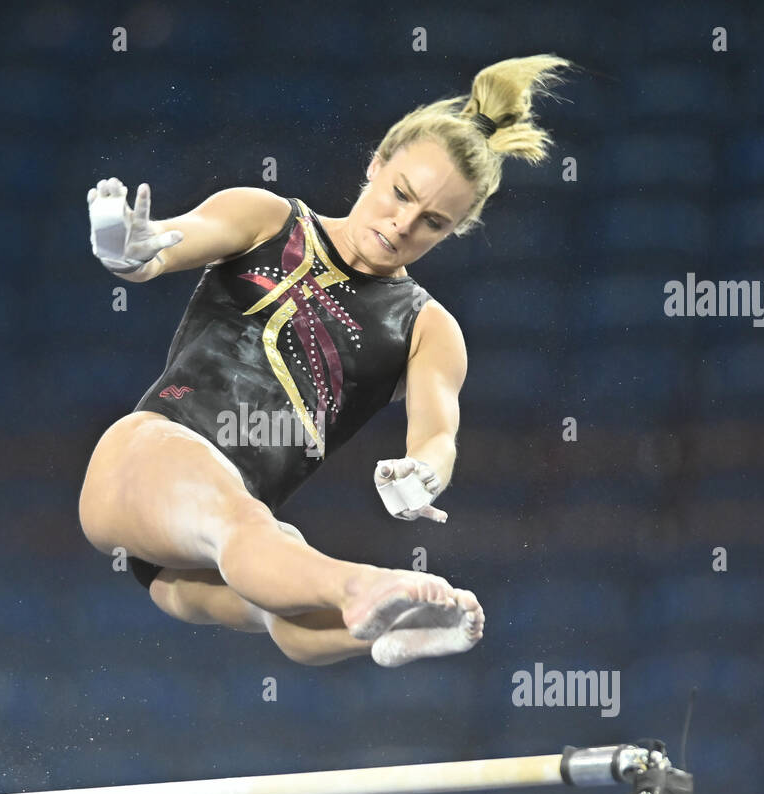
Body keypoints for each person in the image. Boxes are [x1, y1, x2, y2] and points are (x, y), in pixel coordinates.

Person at [79, 55, 570, 667]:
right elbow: (172, 241)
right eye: (400, 194)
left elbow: (438, 432)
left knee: (282, 606)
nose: (402, 224)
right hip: (148, 458)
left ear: (455, 230)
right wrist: (131, 252)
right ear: (376, 164)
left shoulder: (428, 329)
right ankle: (361, 585)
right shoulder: (267, 219)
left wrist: (424, 474)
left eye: (432, 223)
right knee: (252, 530)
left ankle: (388, 630)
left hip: (203, 555)